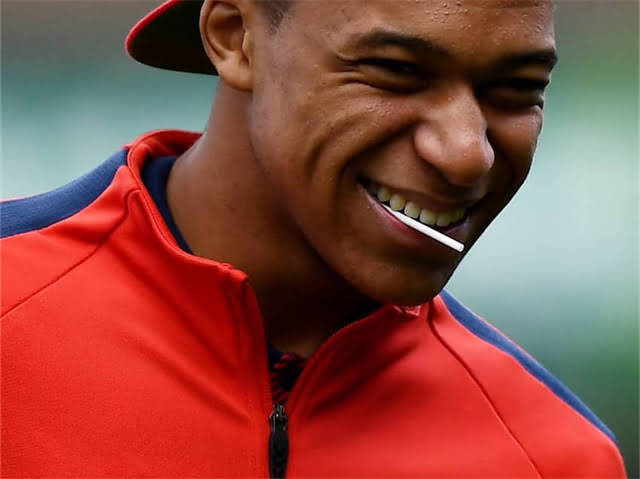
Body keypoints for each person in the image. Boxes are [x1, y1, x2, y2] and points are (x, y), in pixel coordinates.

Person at [0, 0, 627, 477]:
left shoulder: (554, 456)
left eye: (517, 89)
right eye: (396, 71)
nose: (467, 154)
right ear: (234, 37)